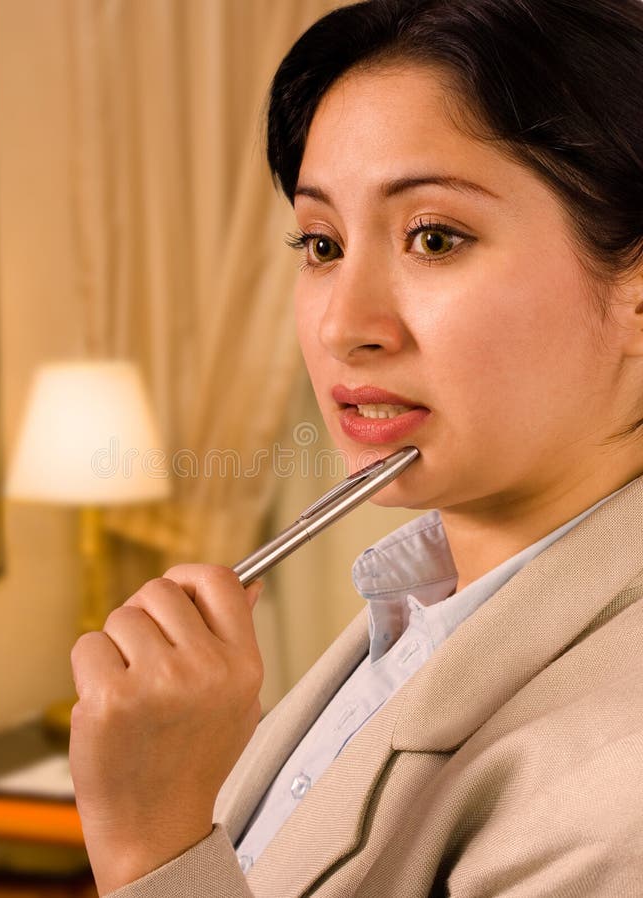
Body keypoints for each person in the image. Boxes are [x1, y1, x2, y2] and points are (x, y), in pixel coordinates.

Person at [68, 0, 643, 894]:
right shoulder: (414, 618)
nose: (343, 325)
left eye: (434, 237)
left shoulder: (617, 788)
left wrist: (153, 846)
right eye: (322, 243)